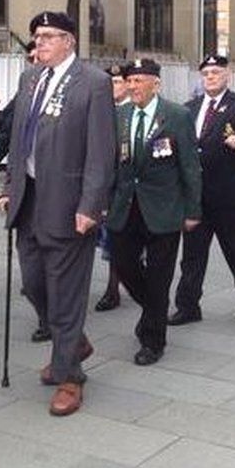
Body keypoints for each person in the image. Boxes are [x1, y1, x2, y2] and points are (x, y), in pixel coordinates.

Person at [0, 11, 115, 416]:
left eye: (48, 36)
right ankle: (74, 341)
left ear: (69, 40)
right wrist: (11, 187)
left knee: (66, 294)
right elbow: (19, 138)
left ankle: (69, 376)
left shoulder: (94, 83)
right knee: (33, 283)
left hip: (69, 205)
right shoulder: (31, 78)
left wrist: (90, 205)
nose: (39, 43)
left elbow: (101, 153)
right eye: (36, 37)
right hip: (29, 201)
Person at [107, 58, 201, 365]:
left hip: (164, 209)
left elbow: (189, 166)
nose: (132, 87)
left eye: (138, 81)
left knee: (160, 276)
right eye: (128, 81)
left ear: (155, 84)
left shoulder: (176, 116)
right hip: (125, 207)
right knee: (123, 264)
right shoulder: (119, 115)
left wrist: (192, 210)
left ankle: (153, 340)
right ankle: (154, 309)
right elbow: (111, 163)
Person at [169, 55, 235, 324]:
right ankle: (188, 306)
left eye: (215, 72)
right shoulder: (190, 107)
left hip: (229, 195)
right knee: (192, 255)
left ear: (227, 75)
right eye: (206, 73)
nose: (210, 77)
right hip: (197, 197)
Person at [0, 40, 54, 343]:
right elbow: (7, 131)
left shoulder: (73, 92)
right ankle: (47, 313)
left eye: (38, 57)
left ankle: (59, 321)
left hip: (59, 191)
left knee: (57, 263)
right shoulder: (26, 92)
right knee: (31, 269)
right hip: (27, 192)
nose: (34, 62)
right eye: (30, 58)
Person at [95, 62, 133, 312]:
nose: (113, 87)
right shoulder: (101, 111)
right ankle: (115, 286)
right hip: (103, 186)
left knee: (119, 241)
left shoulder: (133, 111)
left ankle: (114, 289)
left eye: (118, 82)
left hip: (127, 188)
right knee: (108, 241)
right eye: (110, 82)